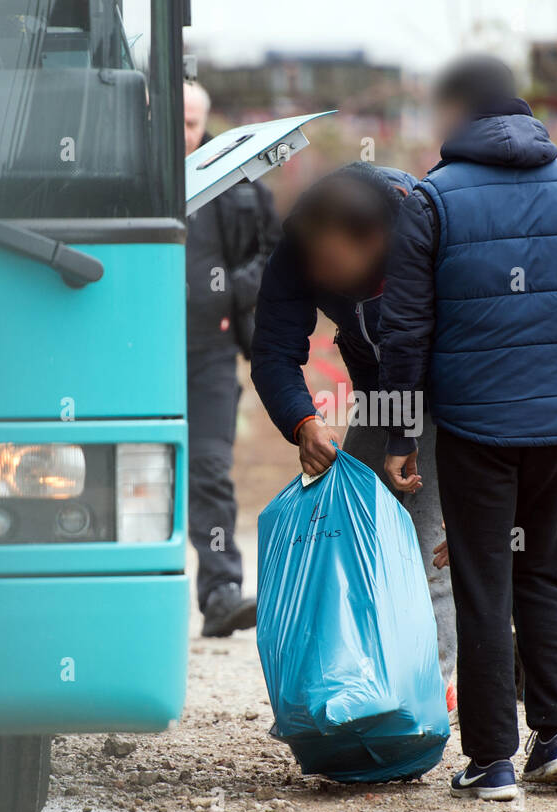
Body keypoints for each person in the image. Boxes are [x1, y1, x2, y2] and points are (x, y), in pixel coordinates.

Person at [377, 55, 557, 800]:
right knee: (547, 575)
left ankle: (490, 761)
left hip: (474, 426)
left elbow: (404, 330)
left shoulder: (434, 198)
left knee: (483, 583)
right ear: (525, 119)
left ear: (463, 123)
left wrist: (398, 437)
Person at [250, 162, 459, 698]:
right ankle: (355, 677)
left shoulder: (427, 230)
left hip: (453, 387)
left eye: (334, 261)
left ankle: (425, 695)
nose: (322, 273)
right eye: (314, 260)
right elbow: (273, 350)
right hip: (381, 388)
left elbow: (456, 341)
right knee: (354, 524)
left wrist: (408, 439)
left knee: (426, 535)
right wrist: (303, 421)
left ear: (375, 241)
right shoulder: (299, 247)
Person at [183, 81, 281, 637]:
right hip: (133, 352)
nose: (186, 133)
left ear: (205, 121)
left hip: (212, 355)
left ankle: (221, 593)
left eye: (194, 123)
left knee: (210, 469)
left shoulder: (237, 181)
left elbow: (275, 255)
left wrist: (230, 295)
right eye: (177, 121)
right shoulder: (129, 178)